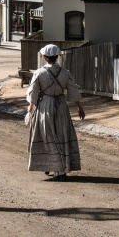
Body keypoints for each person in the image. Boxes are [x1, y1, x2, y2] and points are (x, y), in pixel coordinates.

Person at [26, 44, 85, 181]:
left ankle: (53, 166)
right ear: (56, 57)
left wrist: (30, 109)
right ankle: (60, 169)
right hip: (61, 105)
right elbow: (73, 91)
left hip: (45, 106)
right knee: (61, 135)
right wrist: (79, 107)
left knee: (48, 136)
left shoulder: (39, 73)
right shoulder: (65, 73)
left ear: (45, 58)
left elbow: (33, 93)